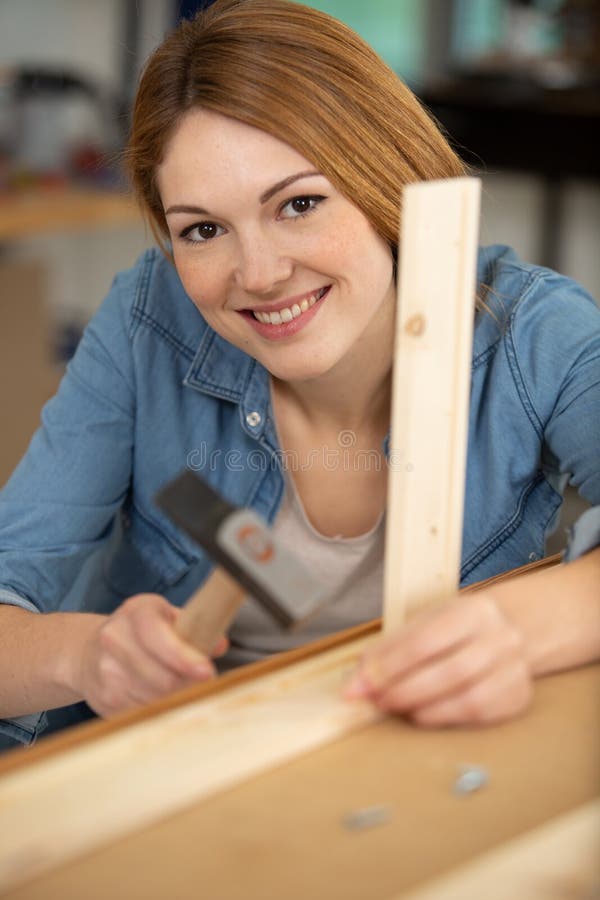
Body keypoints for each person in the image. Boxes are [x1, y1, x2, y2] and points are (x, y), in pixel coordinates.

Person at [0, 0, 599, 752]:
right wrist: (84, 656)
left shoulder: (532, 329)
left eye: (300, 204)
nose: (259, 273)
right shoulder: (147, 320)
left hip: (422, 762)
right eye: (203, 230)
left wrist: (522, 629)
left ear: (390, 178)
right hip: (181, 766)